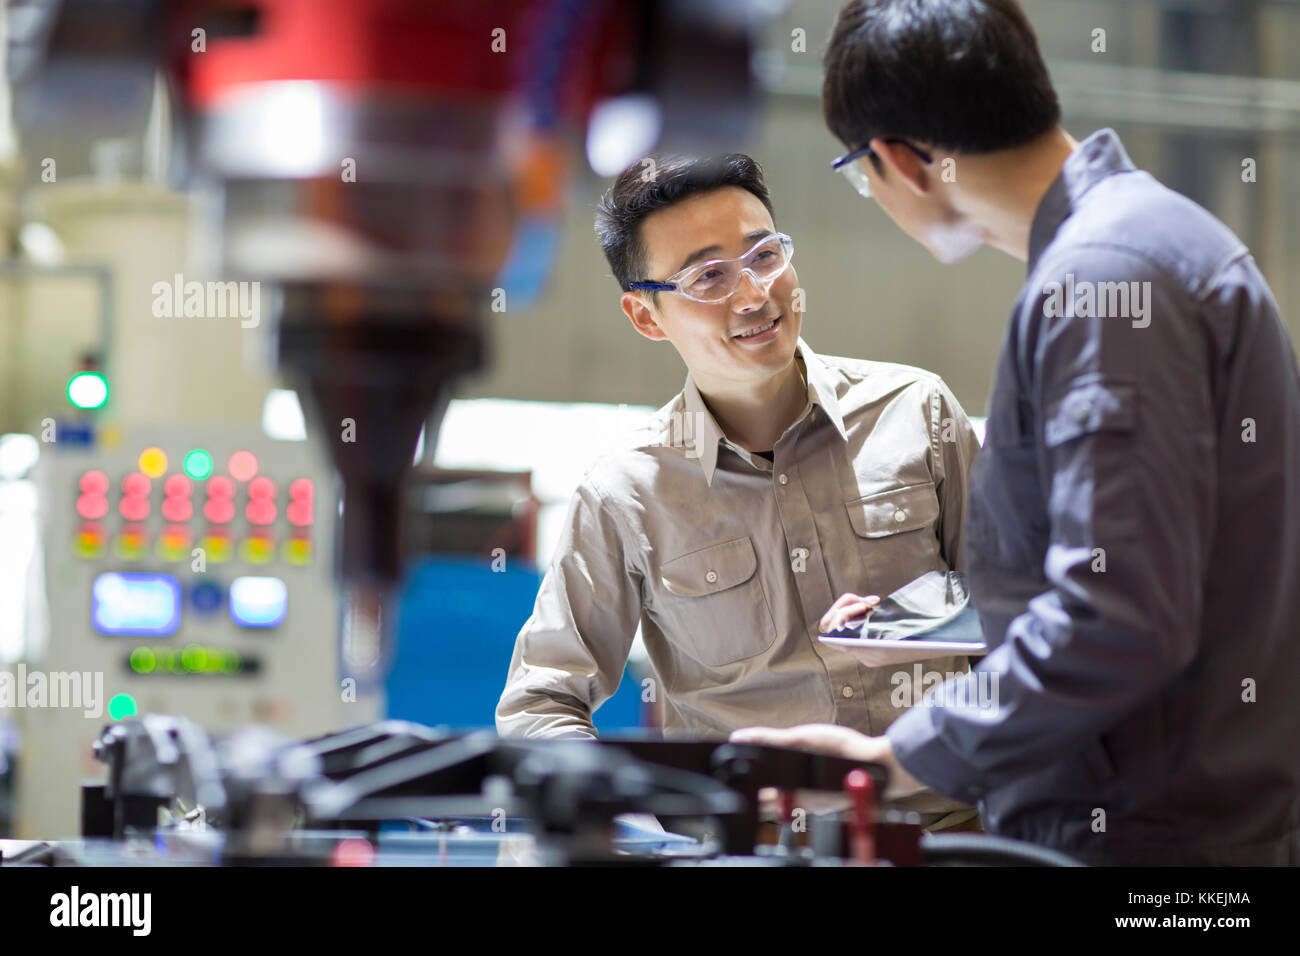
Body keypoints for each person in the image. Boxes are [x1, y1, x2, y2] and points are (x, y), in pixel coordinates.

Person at [734, 0, 1300, 865]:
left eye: (859, 174)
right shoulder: (1148, 246)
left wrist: (898, 759)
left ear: (898, 161)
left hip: (1149, 850)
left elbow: (1119, 616)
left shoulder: (1105, 282)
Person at [496, 152, 982, 830]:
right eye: (709, 277)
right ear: (646, 315)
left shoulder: (917, 414)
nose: (754, 295)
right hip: (750, 850)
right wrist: (622, 820)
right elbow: (540, 702)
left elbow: (1024, 616)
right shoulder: (627, 494)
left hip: (951, 838)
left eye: (764, 255)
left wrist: (925, 623)